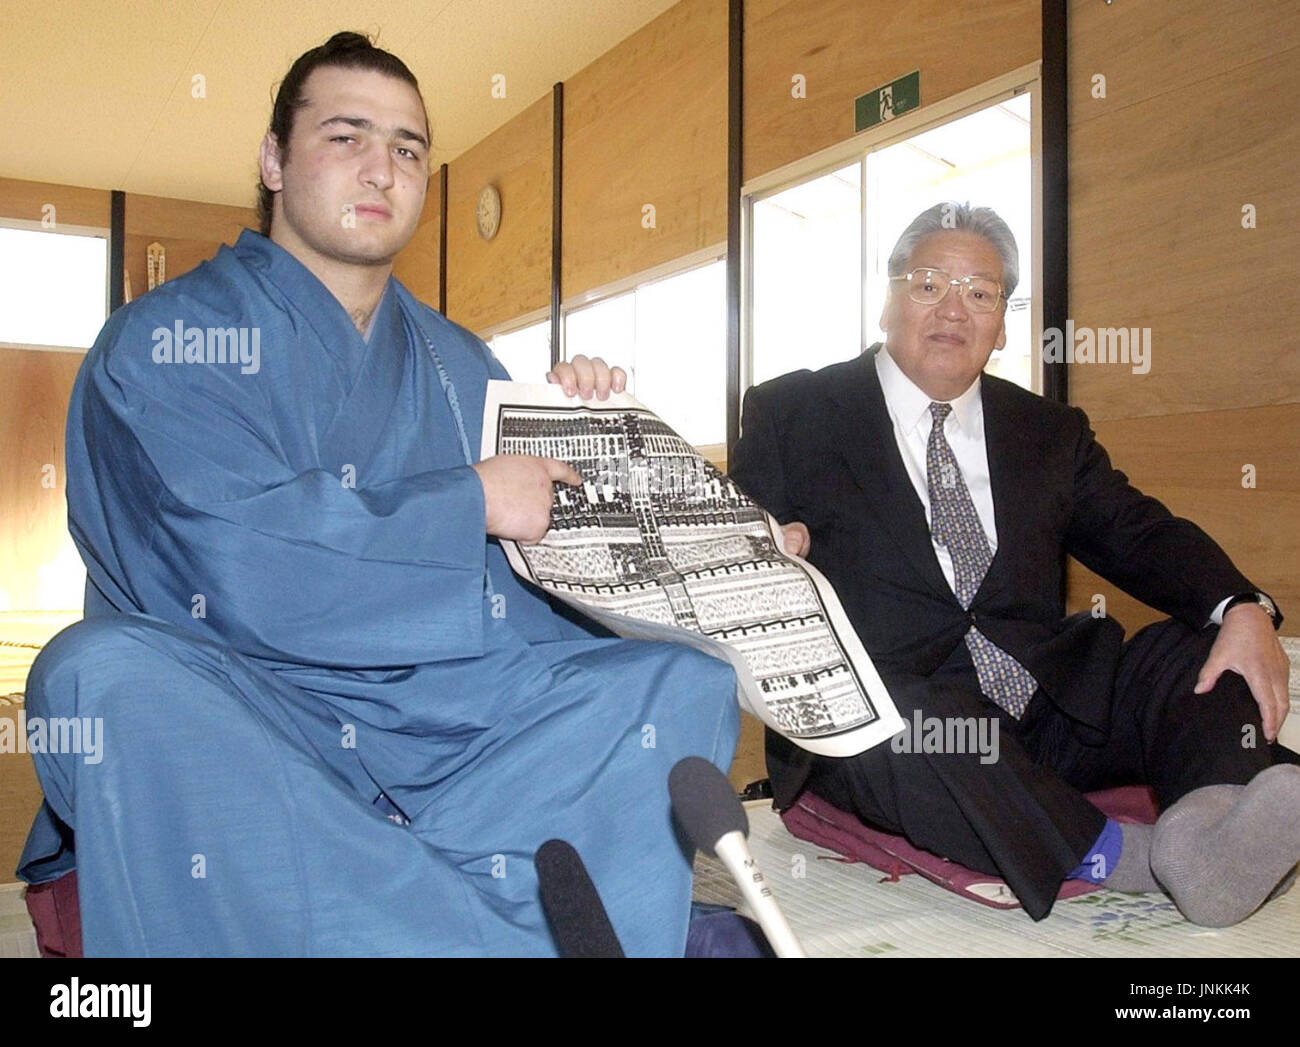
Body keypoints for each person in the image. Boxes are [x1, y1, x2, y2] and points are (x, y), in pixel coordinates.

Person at [16, 32, 739, 957]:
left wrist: (713, 549)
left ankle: (374, 906)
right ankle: (496, 924)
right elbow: (236, 561)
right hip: (258, 721)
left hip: (455, 733)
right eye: (345, 136)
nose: (381, 169)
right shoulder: (166, 339)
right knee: (100, 673)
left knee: (682, 681)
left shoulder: (465, 361)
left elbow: (545, 585)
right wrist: (466, 502)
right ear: (275, 159)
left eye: (407, 149)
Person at [730, 201, 1299, 925]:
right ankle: (1117, 856)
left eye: (980, 293)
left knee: (1199, 649)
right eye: (928, 282)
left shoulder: (1047, 430)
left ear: (1000, 326)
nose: (953, 309)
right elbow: (737, 547)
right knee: (899, 717)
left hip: (1046, 702)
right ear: (886, 300)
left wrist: (1244, 606)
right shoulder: (795, 411)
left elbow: (1138, 532)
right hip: (905, 720)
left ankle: (1210, 827)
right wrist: (764, 548)